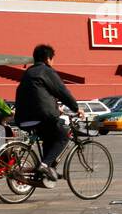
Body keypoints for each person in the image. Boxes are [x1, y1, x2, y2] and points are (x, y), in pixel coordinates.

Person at [13, 44, 80, 186]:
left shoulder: (28, 73)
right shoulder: (46, 71)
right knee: (62, 136)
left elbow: (39, 95)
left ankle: (45, 173)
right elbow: (61, 91)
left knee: (49, 137)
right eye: (52, 59)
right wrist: (76, 108)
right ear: (48, 59)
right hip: (42, 116)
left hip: (23, 118)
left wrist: (56, 108)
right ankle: (44, 166)